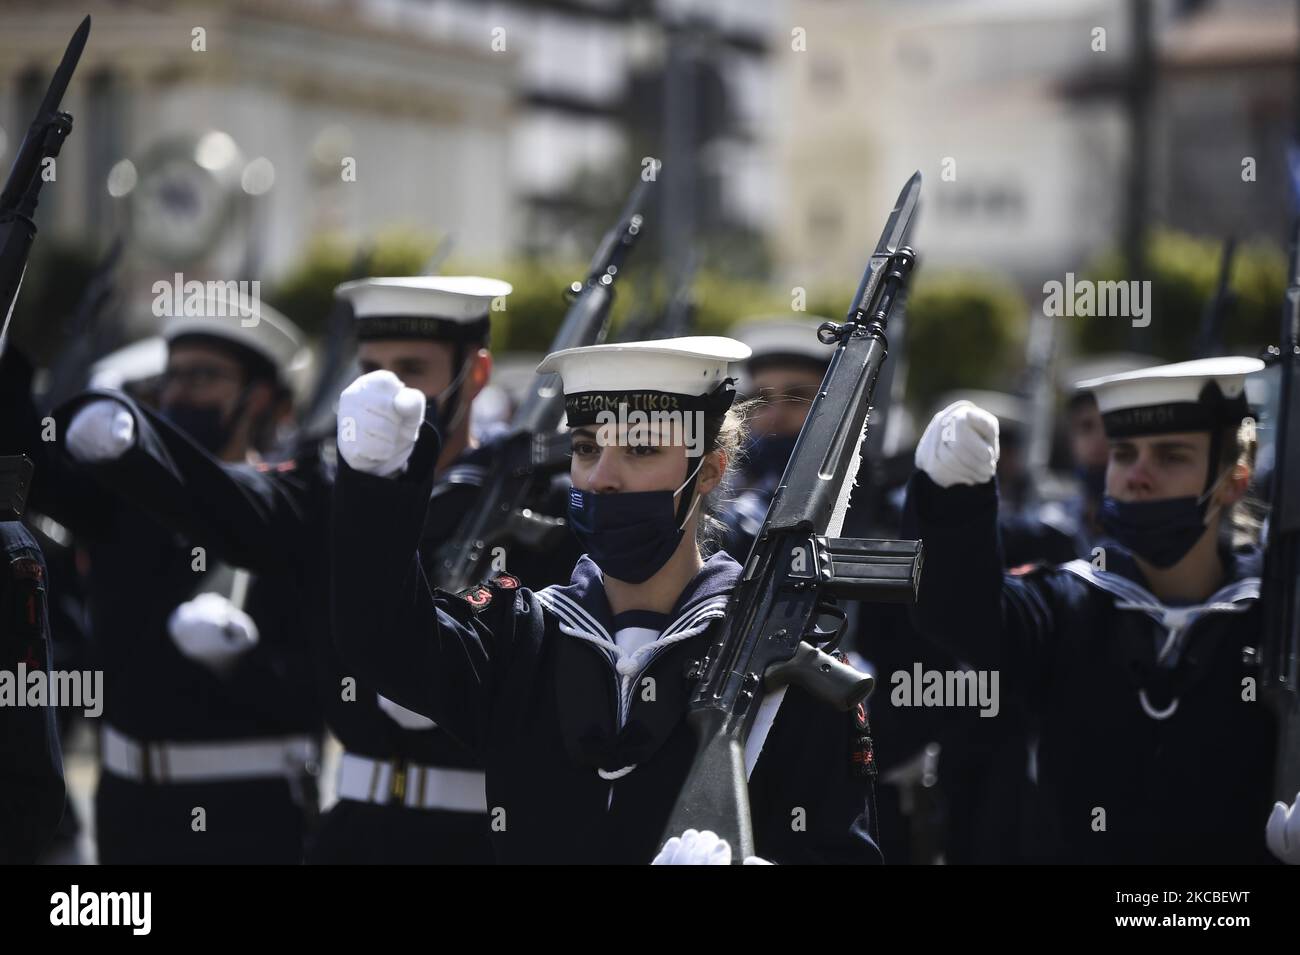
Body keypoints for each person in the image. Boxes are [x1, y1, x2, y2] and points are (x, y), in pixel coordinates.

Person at [59, 276, 579, 864]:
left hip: (488, 837)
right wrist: (135, 448)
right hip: (355, 833)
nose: (388, 390)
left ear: (475, 374)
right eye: (371, 369)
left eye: (411, 369)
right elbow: (231, 503)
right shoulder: (326, 492)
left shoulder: (543, 501)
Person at [330, 336, 882, 864]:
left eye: (641, 448)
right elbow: (381, 639)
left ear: (708, 470)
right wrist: (376, 486)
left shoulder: (784, 662)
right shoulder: (520, 635)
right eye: (586, 447)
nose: (601, 477)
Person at [903, 356, 1282, 863]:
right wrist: (952, 502)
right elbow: (965, 618)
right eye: (1124, 454)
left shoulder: (1277, 613)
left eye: (1171, 457)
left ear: (1234, 479)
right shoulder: (1071, 600)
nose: (1137, 476)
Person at [2, 299, 323, 863]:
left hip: (253, 815)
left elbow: (334, 675)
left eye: (203, 377)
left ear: (264, 396)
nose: (177, 394)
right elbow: (28, 454)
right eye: (170, 376)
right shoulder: (120, 495)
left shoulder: (299, 505)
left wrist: (246, 667)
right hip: (132, 812)